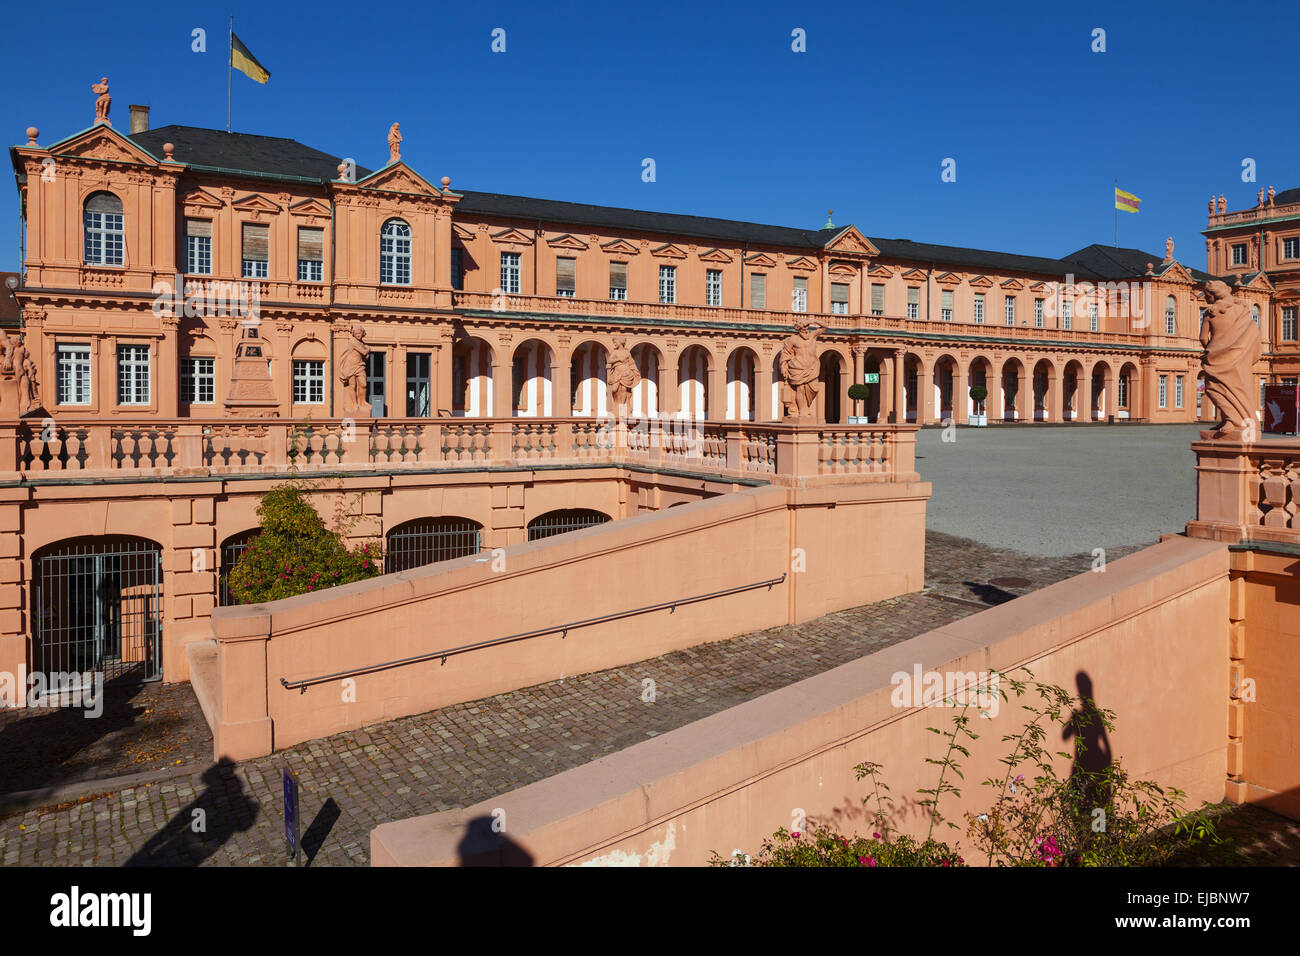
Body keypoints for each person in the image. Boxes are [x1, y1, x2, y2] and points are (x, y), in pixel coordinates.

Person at [1200, 280, 1260, 439]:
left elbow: (1203, 338)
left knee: (1213, 387)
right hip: (1240, 356)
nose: (1206, 300)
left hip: (1217, 356)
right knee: (1241, 389)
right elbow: (1254, 332)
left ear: (1211, 296)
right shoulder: (1242, 309)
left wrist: (1212, 350)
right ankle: (1235, 421)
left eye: (1206, 296)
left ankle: (1231, 419)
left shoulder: (1210, 312)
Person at [779, 316, 823, 420]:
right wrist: (783, 367)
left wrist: (813, 321)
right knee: (800, 389)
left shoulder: (813, 335)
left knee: (815, 389)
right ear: (798, 329)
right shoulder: (792, 339)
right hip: (797, 367)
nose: (805, 329)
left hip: (812, 367)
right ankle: (802, 410)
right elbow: (785, 353)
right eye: (803, 327)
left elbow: (824, 326)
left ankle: (805, 407)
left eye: (807, 326)